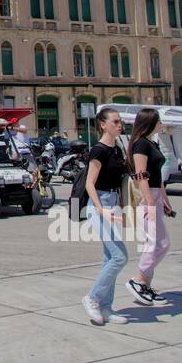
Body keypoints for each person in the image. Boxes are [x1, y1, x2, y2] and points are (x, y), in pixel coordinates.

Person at [81, 107, 129, 326]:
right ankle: (93, 298)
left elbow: (121, 181)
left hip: (113, 202)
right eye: (116, 121)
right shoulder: (98, 150)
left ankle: (106, 308)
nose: (120, 125)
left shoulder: (118, 149)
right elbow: (89, 183)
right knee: (120, 257)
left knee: (110, 258)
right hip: (99, 205)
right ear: (103, 124)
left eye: (120, 122)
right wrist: (101, 209)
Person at [125, 108, 171, 306]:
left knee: (157, 243)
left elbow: (158, 177)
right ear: (150, 122)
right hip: (147, 198)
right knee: (157, 243)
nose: (161, 124)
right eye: (158, 121)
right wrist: (150, 201)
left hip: (155, 195)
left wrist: (165, 200)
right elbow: (141, 174)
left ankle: (145, 284)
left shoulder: (151, 143)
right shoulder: (141, 145)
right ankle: (138, 280)